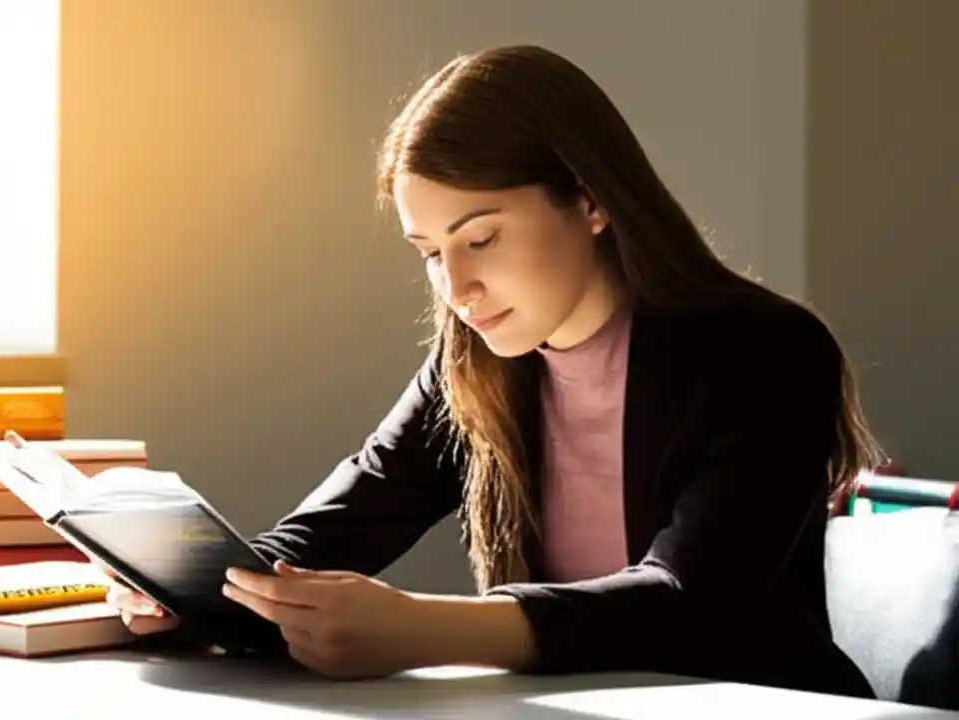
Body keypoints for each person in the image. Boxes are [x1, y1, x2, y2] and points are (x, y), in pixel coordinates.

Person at [103, 44, 883, 699]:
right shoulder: (474, 363)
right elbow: (350, 517)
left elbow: (692, 604)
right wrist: (200, 594)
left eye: (481, 238)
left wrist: (422, 628)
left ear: (590, 201)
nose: (457, 288)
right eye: (432, 255)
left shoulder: (769, 353)